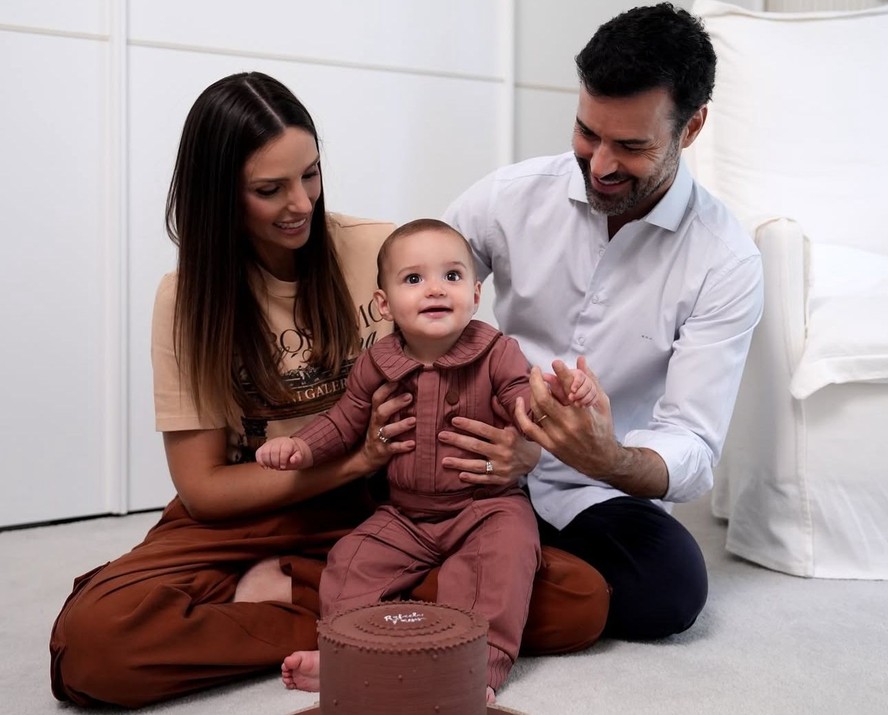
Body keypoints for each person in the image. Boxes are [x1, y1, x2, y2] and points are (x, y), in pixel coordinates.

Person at [48, 73, 607, 709]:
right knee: (96, 645)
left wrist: (523, 450)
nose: (300, 204)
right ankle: (388, 625)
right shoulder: (185, 301)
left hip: (385, 510)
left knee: (579, 600)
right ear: (220, 195)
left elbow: (489, 376)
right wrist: (359, 456)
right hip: (260, 507)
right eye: (269, 189)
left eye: (310, 175)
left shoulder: (379, 249)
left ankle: (321, 609)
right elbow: (204, 488)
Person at [443, 3, 765, 642]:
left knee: (670, 591)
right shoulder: (509, 196)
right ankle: (510, 580)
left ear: (691, 128)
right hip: (475, 456)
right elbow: (417, 281)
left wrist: (608, 457)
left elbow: (692, 446)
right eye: (588, 133)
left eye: (633, 145)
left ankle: (468, 577)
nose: (600, 164)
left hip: (593, 489)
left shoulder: (725, 261)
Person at [258, 219, 595, 701]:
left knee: (500, 564)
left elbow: (527, 402)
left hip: (486, 507)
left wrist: (561, 397)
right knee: (350, 561)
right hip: (405, 514)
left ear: (477, 294)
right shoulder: (378, 363)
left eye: (452, 276)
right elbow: (344, 421)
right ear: (383, 303)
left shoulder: (499, 353)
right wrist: (301, 447)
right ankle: (345, 657)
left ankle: (473, 670)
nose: (435, 289)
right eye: (414, 279)